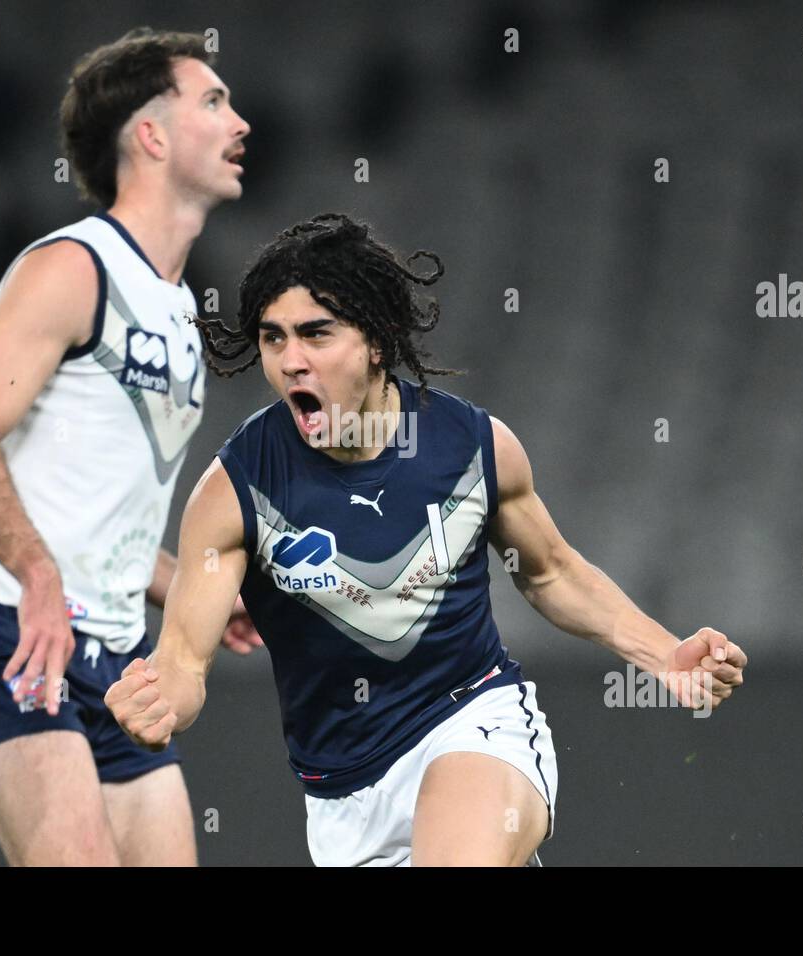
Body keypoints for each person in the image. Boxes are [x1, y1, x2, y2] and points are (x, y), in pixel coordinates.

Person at [105, 213, 747, 866]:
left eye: (316, 334)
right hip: (343, 802)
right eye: (274, 339)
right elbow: (184, 659)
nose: (291, 359)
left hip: (475, 725)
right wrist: (160, 705)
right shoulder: (236, 490)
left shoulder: (473, 448)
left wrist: (663, 654)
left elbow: (551, 573)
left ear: (375, 342)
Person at [0, 27, 257, 866]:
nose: (239, 121)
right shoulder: (76, 268)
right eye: (213, 102)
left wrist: (191, 590)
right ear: (150, 135)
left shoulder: (180, 311)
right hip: (14, 630)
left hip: (115, 657)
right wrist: (37, 574)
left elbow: (104, 522)